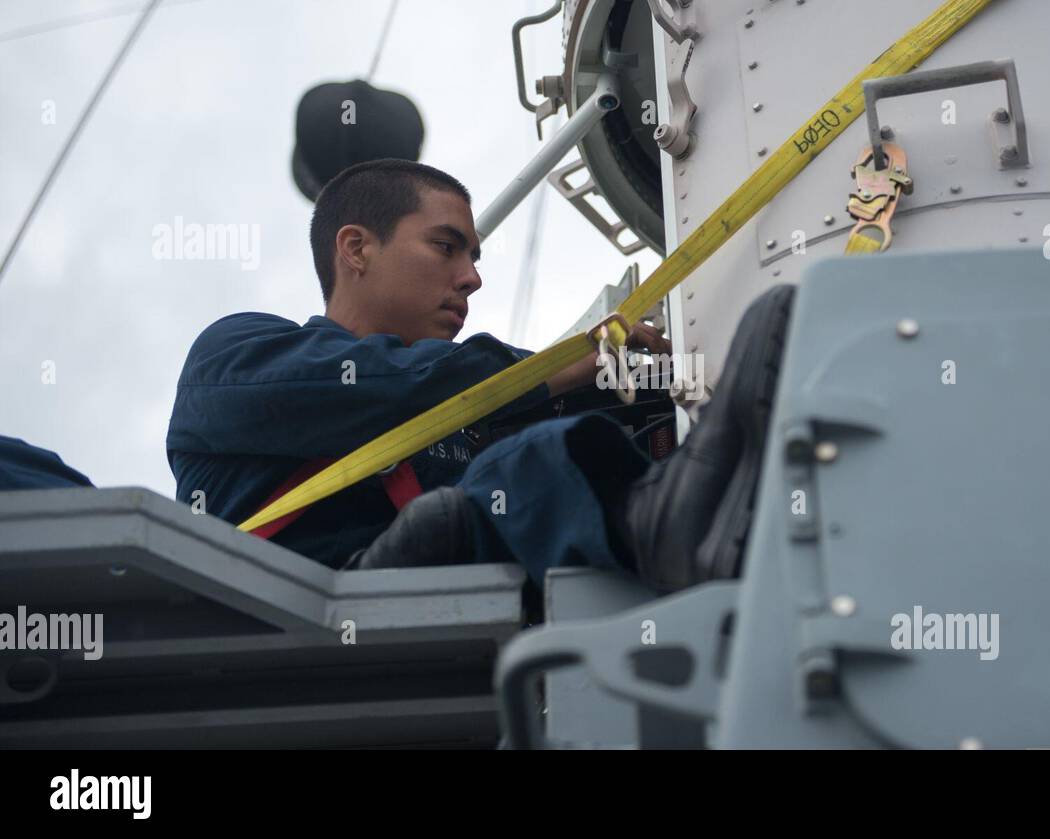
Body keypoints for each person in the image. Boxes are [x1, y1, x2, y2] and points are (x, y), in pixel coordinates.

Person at [167, 158, 792, 592]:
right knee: (511, 472)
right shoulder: (232, 355)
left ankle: (690, 513)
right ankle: (668, 529)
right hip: (308, 625)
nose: (471, 277)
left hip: (448, 621)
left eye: (473, 256)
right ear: (355, 249)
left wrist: (650, 387)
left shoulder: (467, 407)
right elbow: (391, 386)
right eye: (447, 247)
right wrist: (551, 369)